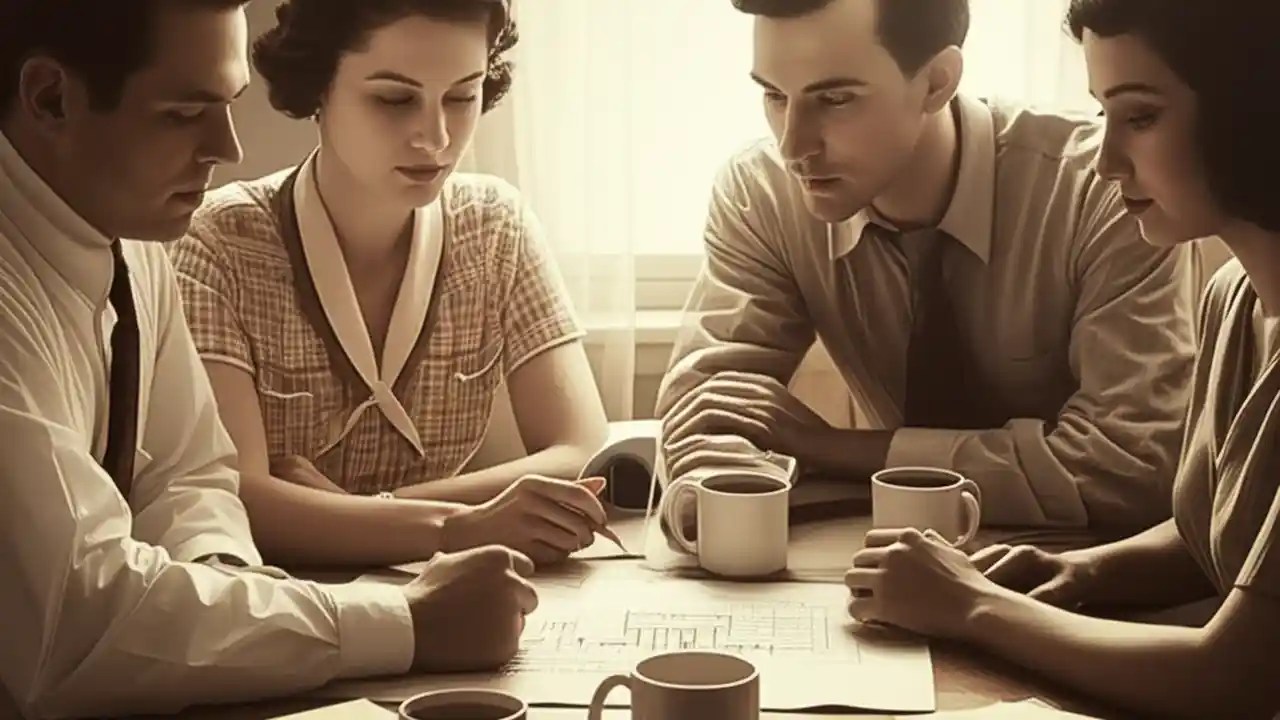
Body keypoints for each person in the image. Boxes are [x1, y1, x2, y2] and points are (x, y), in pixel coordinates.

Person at [0, 2, 536, 717]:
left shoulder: (130, 241)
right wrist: (405, 622)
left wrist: (234, 605)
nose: (228, 148)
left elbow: (188, 479)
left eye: (228, 106)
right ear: (49, 98)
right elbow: (74, 622)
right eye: (184, 114)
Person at [845, 1, 1280, 717]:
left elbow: (1234, 674)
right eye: (1101, 115)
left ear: (1253, 107)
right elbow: (1216, 535)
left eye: (1139, 117)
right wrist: (1078, 570)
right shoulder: (1233, 296)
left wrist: (972, 606)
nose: (1106, 162)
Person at [656, 0, 1205, 530]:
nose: (793, 146)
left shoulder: (1105, 189)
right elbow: (710, 414)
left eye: (836, 99)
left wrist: (833, 449)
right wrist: (727, 503)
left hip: (1092, 574)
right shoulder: (763, 196)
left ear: (938, 81)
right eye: (775, 96)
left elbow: (1130, 467)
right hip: (882, 555)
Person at [167, 0, 612, 569]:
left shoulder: (496, 228)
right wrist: (461, 525)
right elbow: (238, 499)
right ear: (318, 87)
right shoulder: (219, 244)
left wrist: (365, 510)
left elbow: (582, 452)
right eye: (394, 99)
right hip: (285, 602)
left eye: (462, 96)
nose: (436, 136)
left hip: (451, 584)